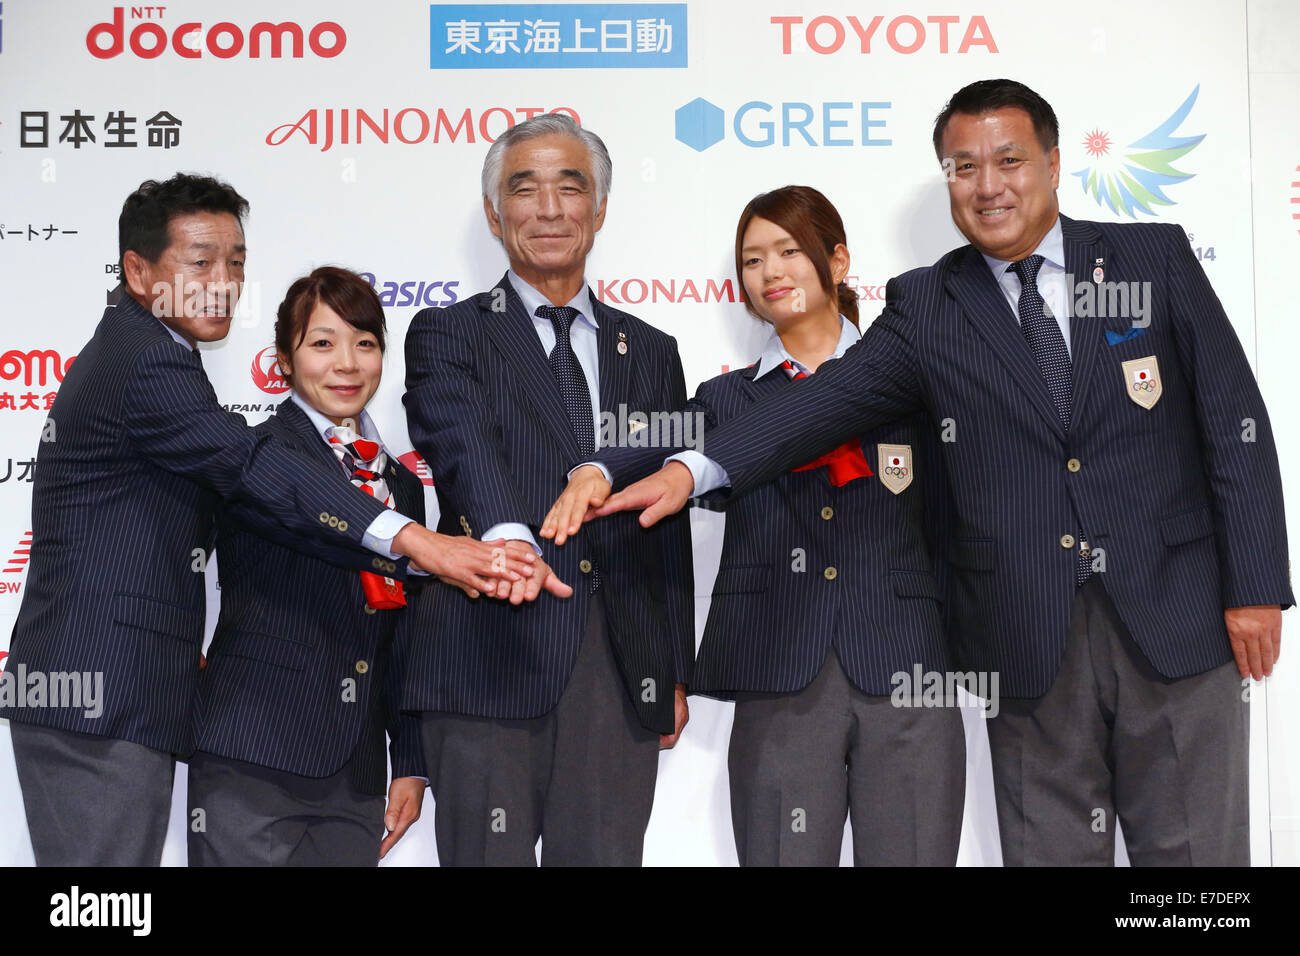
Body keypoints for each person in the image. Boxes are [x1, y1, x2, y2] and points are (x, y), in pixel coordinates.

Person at [583, 80, 1292, 866]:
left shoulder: (1150, 257)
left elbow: (1236, 424)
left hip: (1177, 615)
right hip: (1022, 637)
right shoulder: (929, 303)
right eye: (962, 167)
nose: (987, 185)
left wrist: (1255, 584)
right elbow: (825, 402)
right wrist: (692, 467)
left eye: (1008, 160)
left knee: (1198, 861)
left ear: (1054, 164)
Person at [1, 174, 534, 867]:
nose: (223, 282)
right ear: (138, 270)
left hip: (127, 692)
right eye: (200, 263)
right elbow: (251, 466)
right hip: (99, 688)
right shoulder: (147, 360)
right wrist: (413, 539)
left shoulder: (157, 355)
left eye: (237, 263)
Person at [547, 186, 964, 865]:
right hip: (779, 673)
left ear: (838, 261)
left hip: (908, 667)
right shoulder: (728, 399)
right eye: (752, 260)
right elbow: (661, 435)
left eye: (789, 251)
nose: (770, 272)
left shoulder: (913, 378)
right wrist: (598, 467)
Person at [400, 113, 694, 866]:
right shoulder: (448, 332)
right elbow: (461, 446)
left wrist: (671, 665)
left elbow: (669, 515)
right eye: (525, 189)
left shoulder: (653, 351)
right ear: (497, 215)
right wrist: (508, 537)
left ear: (599, 210)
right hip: (486, 647)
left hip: (617, 661)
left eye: (572, 187)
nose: (551, 207)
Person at [188, 267, 428, 866]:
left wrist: (413, 761)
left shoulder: (402, 484)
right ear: (284, 361)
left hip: (358, 770)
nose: (347, 363)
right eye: (322, 343)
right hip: (252, 752)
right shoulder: (257, 456)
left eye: (365, 343)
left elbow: (408, 636)